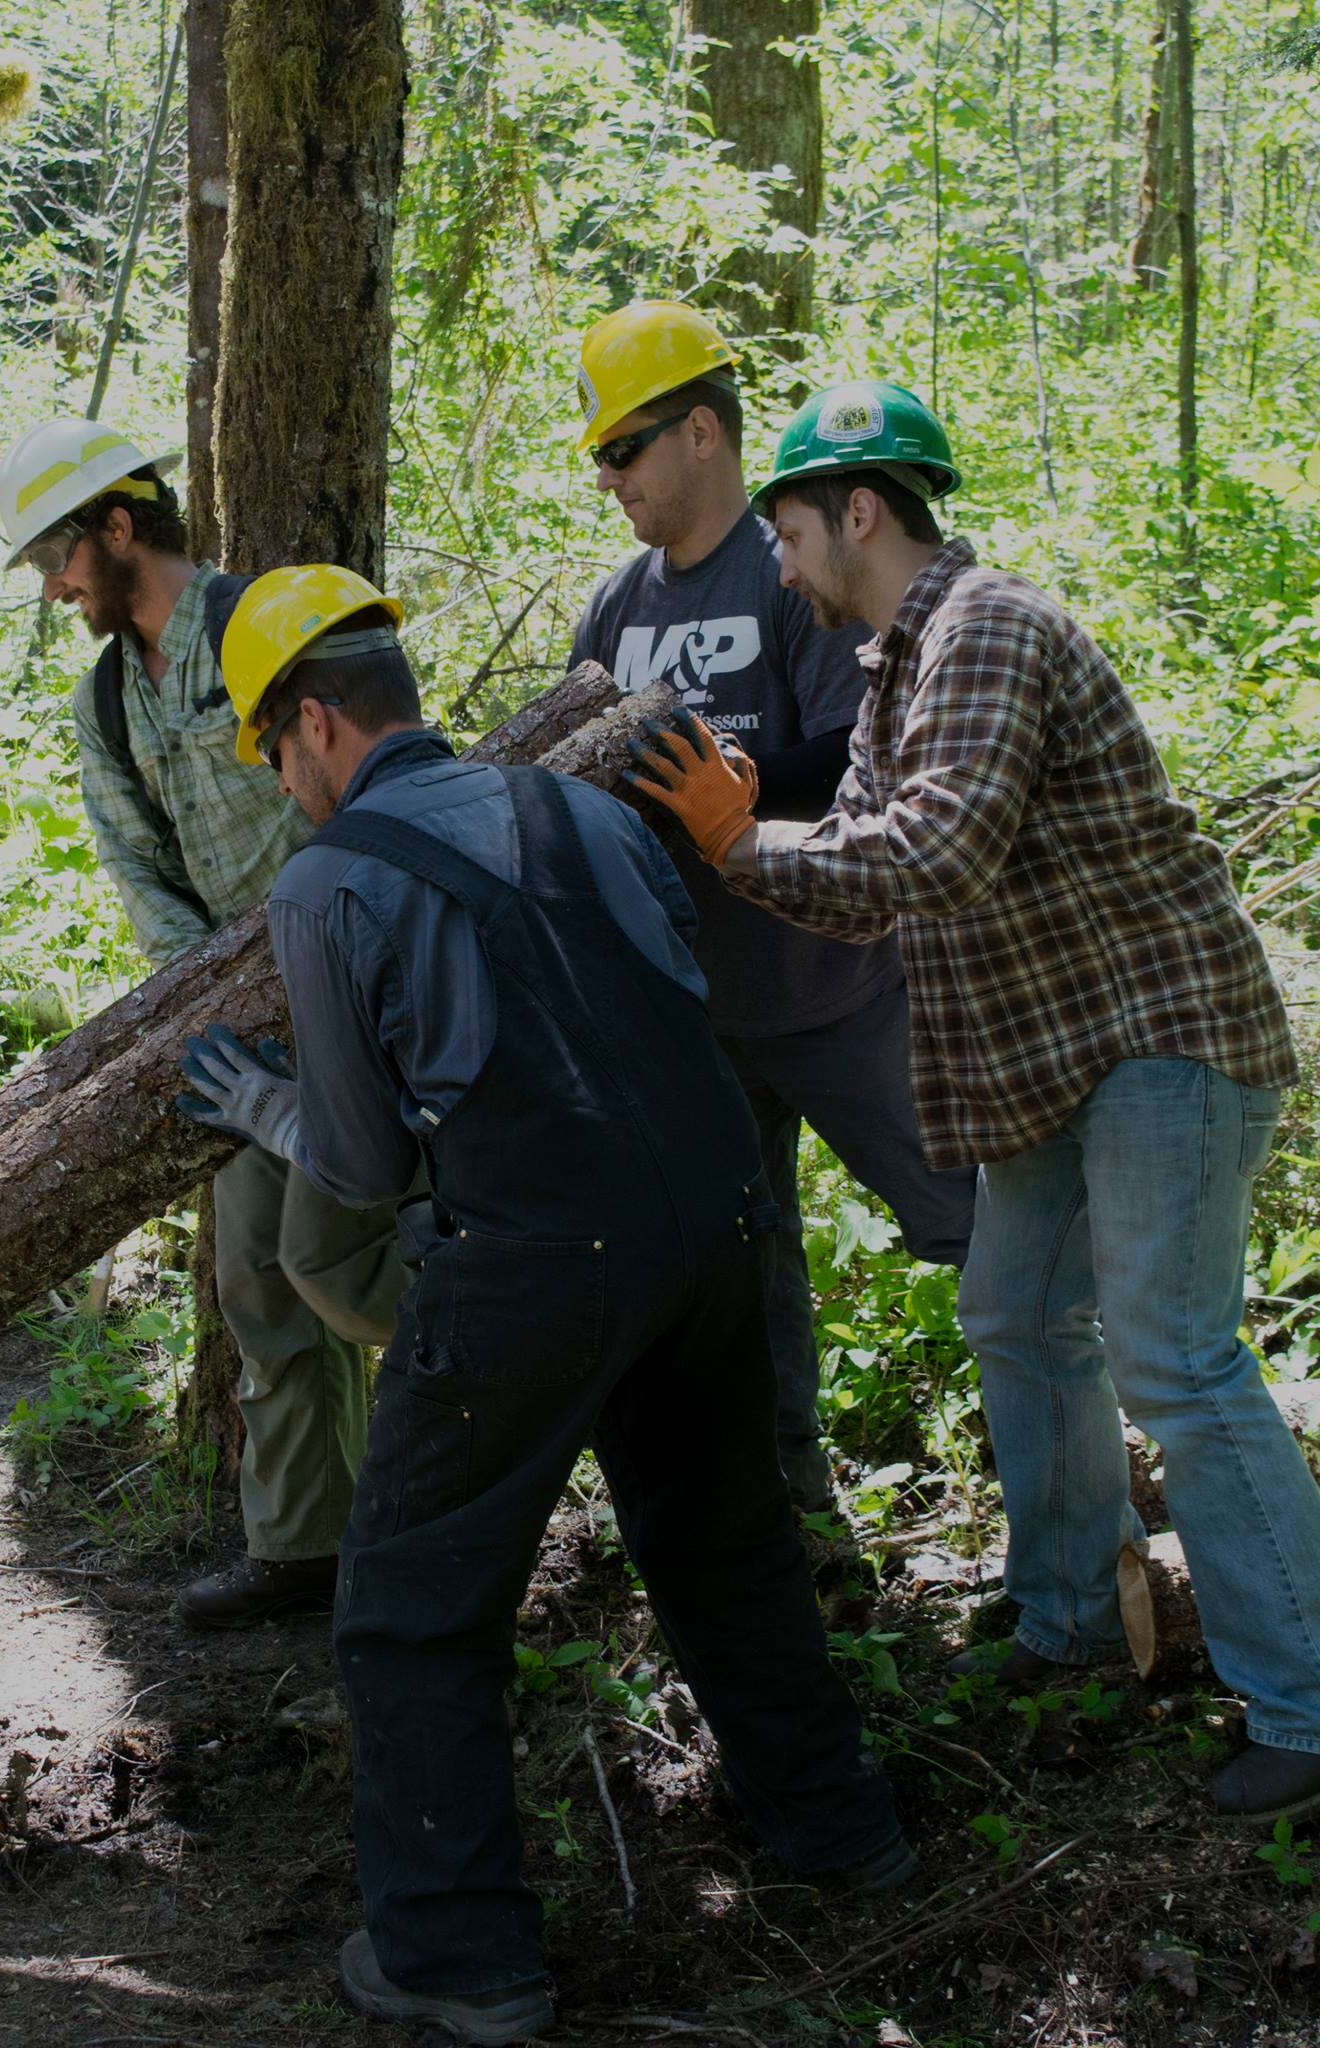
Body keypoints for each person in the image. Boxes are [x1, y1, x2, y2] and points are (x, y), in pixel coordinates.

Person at [176, 564, 916, 2045]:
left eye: (270, 747)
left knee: (406, 1602)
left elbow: (369, 1163)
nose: (281, 778)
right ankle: (842, 1832)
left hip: (539, 1252)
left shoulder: (327, 885)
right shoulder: (585, 810)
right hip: (717, 1217)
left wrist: (256, 1102)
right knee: (727, 1546)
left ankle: (457, 1958)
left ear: (317, 723)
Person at [630, 377, 1320, 1825]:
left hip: (1160, 1040)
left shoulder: (988, 626)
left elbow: (927, 860)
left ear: (859, 510)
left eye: (793, 532)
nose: (783, 563)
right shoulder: (903, 658)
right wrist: (767, 811)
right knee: (1013, 1310)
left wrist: (740, 840)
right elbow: (878, 837)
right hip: (1061, 1058)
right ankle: (1072, 1618)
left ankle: (1307, 1703)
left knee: (1178, 1361)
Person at [0, 417, 410, 1625]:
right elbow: (142, 874)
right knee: (258, 1282)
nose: (53, 582)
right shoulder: (109, 703)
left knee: (381, 1269)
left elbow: (379, 772)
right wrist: (219, 1008)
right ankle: (302, 1548)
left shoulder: (265, 626)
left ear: (118, 526)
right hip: (242, 1031)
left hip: (369, 999)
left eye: (58, 555)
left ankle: (427, 1525)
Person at [569, 301, 976, 1510]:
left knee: (974, 1229)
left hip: (838, 985)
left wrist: (720, 800)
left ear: (701, 432)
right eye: (597, 456)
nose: (608, 479)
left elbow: (857, 749)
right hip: (695, 1006)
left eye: (622, 449)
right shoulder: (615, 608)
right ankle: (789, 1503)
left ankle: (1072, 1476)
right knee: (738, 1264)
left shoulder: (793, 563)